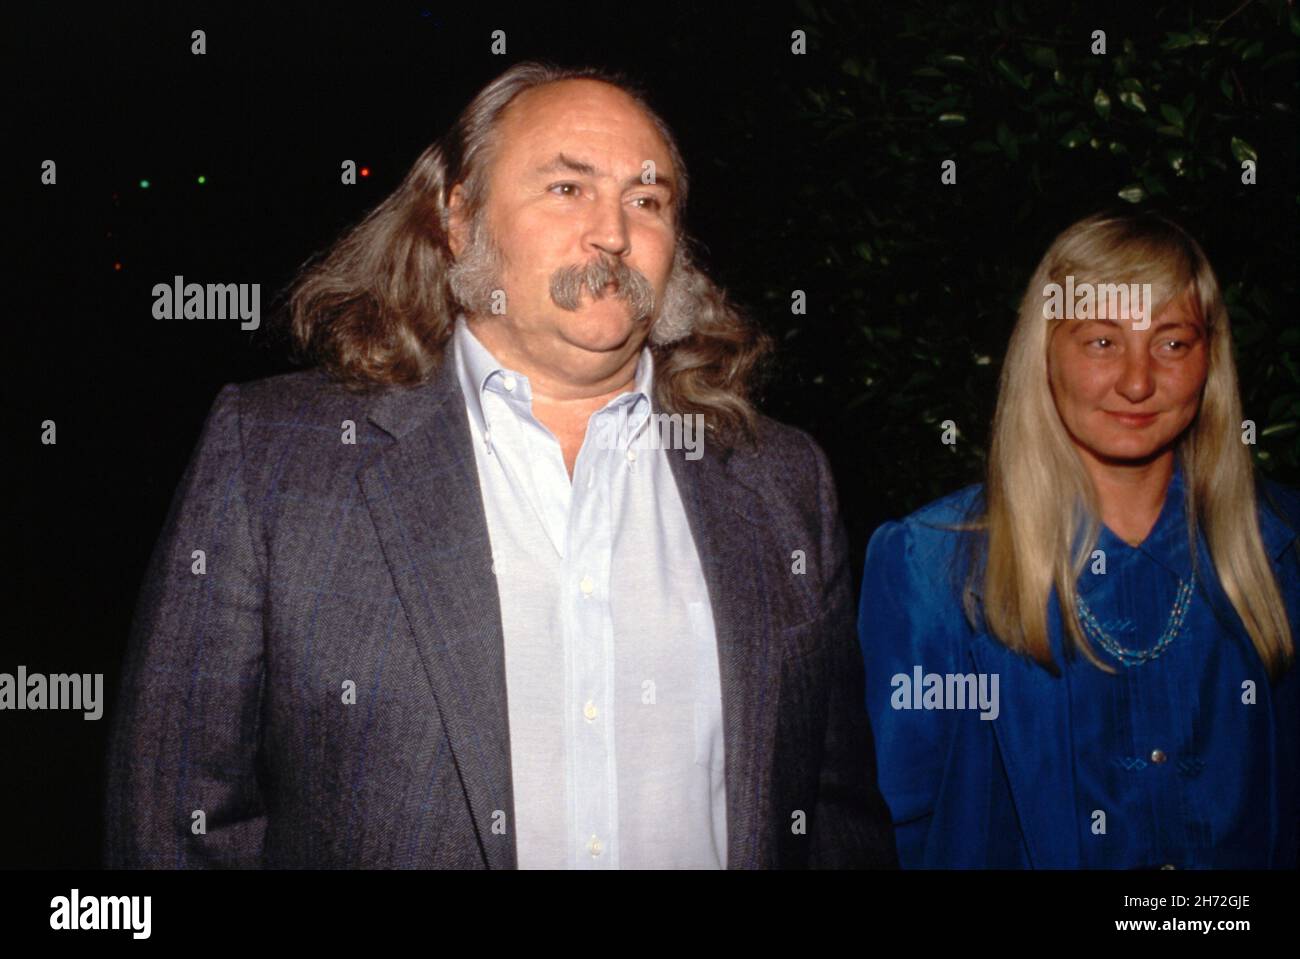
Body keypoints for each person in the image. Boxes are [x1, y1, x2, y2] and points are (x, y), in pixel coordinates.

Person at [103, 60, 896, 869]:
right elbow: (175, 826)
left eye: (647, 200)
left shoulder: (780, 481)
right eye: (567, 188)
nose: (614, 233)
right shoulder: (274, 457)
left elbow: (837, 823)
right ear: (458, 219)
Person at [858, 210, 1299, 868]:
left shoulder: (1279, 550)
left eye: (1172, 342)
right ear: (1046, 352)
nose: (1138, 380)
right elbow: (887, 828)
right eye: (1101, 342)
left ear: (1211, 359)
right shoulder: (933, 570)